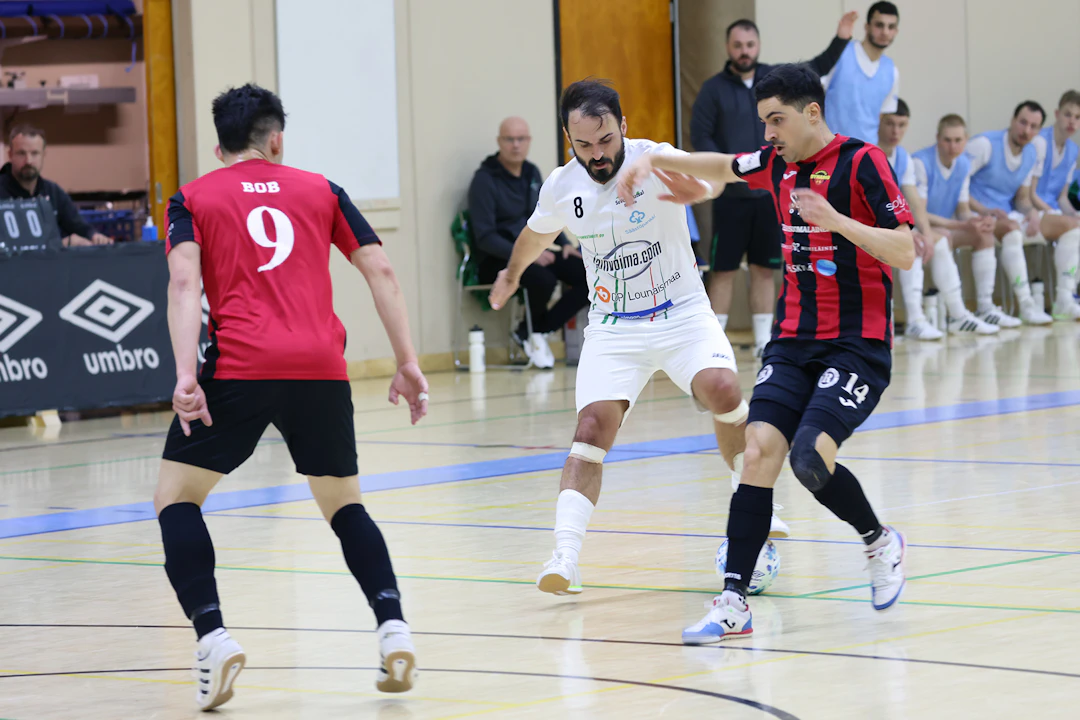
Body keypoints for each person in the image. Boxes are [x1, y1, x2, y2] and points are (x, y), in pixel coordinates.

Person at [618, 64, 912, 642]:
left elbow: (904, 250)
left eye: (776, 119)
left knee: (809, 458)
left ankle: (879, 541)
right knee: (758, 451)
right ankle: (733, 600)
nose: (768, 132)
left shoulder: (863, 162)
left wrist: (837, 221)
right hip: (793, 338)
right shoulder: (777, 164)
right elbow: (722, 168)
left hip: (858, 344)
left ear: (811, 113)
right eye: (763, 121)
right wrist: (657, 160)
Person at [156, 84, 427, 709]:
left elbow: (181, 280)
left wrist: (184, 375)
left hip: (241, 367)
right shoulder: (322, 189)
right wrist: (408, 362)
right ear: (276, 139)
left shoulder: (193, 197)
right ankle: (392, 629)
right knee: (344, 506)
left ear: (220, 145)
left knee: (176, 497)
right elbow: (380, 270)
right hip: (320, 368)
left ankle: (213, 637)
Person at [488, 79, 789, 600]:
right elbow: (535, 235)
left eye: (605, 140)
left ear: (622, 126)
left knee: (722, 387)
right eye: (584, 145)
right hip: (613, 327)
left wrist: (701, 189)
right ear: (568, 140)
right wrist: (512, 275)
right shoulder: (562, 185)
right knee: (590, 427)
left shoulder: (655, 157)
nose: (598, 154)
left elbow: (712, 177)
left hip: (682, 313)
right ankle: (565, 556)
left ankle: (753, 496)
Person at [691, 11, 857, 355]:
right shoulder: (712, 90)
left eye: (750, 44)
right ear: (728, 47)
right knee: (722, 271)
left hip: (771, 196)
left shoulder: (774, 82)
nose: (744, 51)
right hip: (732, 198)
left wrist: (841, 39)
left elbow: (816, 67)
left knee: (765, 270)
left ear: (758, 45)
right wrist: (725, 172)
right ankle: (714, 345)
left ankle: (764, 340)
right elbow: (701, 135)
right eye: (737, 45)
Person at [469, 116, 589, 368]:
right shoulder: (484, 180)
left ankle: (535, 330)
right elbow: (484, 237)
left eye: (521, 139)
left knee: (586, 274)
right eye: (509, 139)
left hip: (536, 249)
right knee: (543, 279)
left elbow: (547, 215)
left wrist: (566, 242)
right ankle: (533, 333)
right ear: (499, 142)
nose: (516, 145)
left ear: (529, 141)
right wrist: (528, 255)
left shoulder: (532, 173)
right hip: (497, 259)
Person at [878, 101, 997, 337]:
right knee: (913, 242)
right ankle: (914, 319)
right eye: (890, 124)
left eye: (901, 125)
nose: (895, 131)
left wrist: (924, 232)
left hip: (894, 228)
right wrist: (914, 233)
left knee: (932, 241)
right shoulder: (870, 152)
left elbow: (913, 203)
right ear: (878, 122)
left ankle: (959, 314)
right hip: (865, 230)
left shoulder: (903, 158)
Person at [967, 101, 1075, 324]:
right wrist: (984, 209)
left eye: (1034, 126)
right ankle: (1026, 304)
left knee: (1073, 227)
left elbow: (1023, 199)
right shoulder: (984, 144)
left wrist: (1033, 212)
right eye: (1023, 123)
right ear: (1012, 120)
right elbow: (956, 189)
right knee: (1013, 230)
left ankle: (1064, 299)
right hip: (974, 215)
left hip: (1007, 216)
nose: (1027, 131)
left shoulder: (1032, 152)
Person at [913, 114, 1021, 329]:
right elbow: (920, 213)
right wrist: (961, 224)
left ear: (966, 140)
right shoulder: (920, 162)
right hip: (919, 227)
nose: (952, 146)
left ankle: (985, 307)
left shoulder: (963, 164)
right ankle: (956, 316)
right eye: (947, 140)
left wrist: (979, 220)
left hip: (946, 226)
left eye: (958, 140)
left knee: (983, 234)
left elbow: (963, 210)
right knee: (943, 237)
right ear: (937, 138)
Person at [0, 125, 113, 247]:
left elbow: (78, 225)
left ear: (44, 155)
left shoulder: (53, 191)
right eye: (21, 153)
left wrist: (95, 236)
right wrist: (60, 244)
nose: (28, 161)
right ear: (10, 155)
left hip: (51, 264)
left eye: (35, 153)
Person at [822, 2, 901, 145]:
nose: (885, 32)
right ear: (867, 26)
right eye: (879, 25)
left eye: (891, 27)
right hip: (831, 149)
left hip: (865, 153)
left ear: (896, 31)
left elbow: (881, 116)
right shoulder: (839, 55)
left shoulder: (892, 71)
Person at [1030, 91, 1080, 316]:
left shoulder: (1073, 151)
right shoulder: (1040, 143)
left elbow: (1062, 197)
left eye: (1078, 117)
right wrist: (1059, 215)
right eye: (1068, 114)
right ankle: (1065, 297)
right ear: (1057, 114)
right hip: (1033, 210)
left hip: (1053, 210)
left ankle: (1071, 293)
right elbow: (1030, 194)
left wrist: (1073, 213)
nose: (1072, 121)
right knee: (1073, 228)